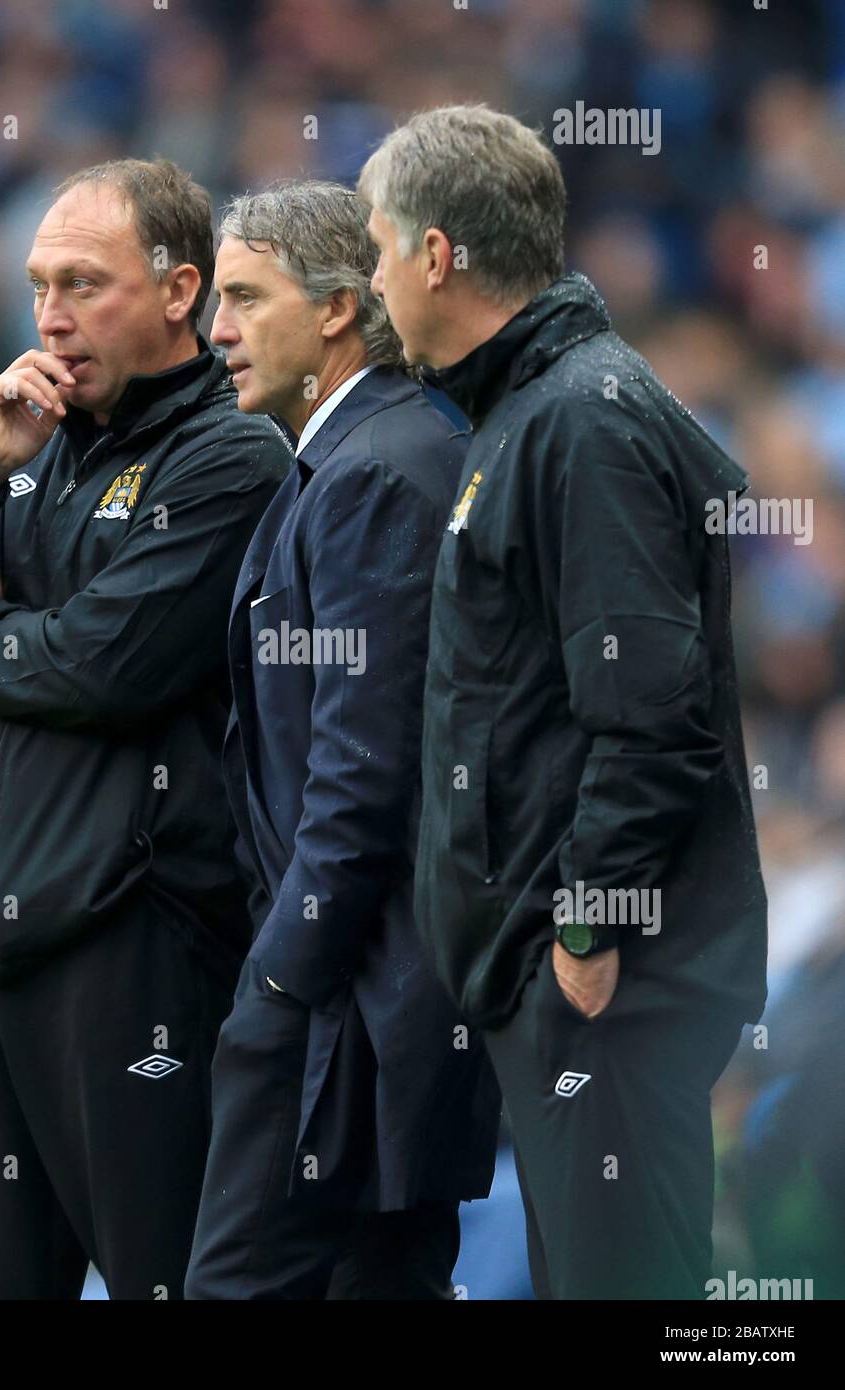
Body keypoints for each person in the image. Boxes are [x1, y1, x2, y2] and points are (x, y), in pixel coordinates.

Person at [0, 158, 291, 1299]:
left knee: (168, 1282)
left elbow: (104, 668)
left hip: (130, 948)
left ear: (181, 289)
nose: (51, 313)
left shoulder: (230, 453)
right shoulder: (24, 437)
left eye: (86, 284)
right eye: (41, 284)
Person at [359, 106, 768, 1300]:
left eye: (382, 249)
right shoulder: (532, 409)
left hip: (605, 983)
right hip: (564, 977)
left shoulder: (580, 420)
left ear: (436, 256)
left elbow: (651, 712)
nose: (377, 283)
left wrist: (586, 926)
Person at [184, 181, 500, 1301]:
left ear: (333, 310)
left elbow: (362, 774)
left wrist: (277, 981)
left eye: (242, 298)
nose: (215, 332)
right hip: (361, 994)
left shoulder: (372, 470)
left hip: (353, 1003)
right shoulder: (355, 458)